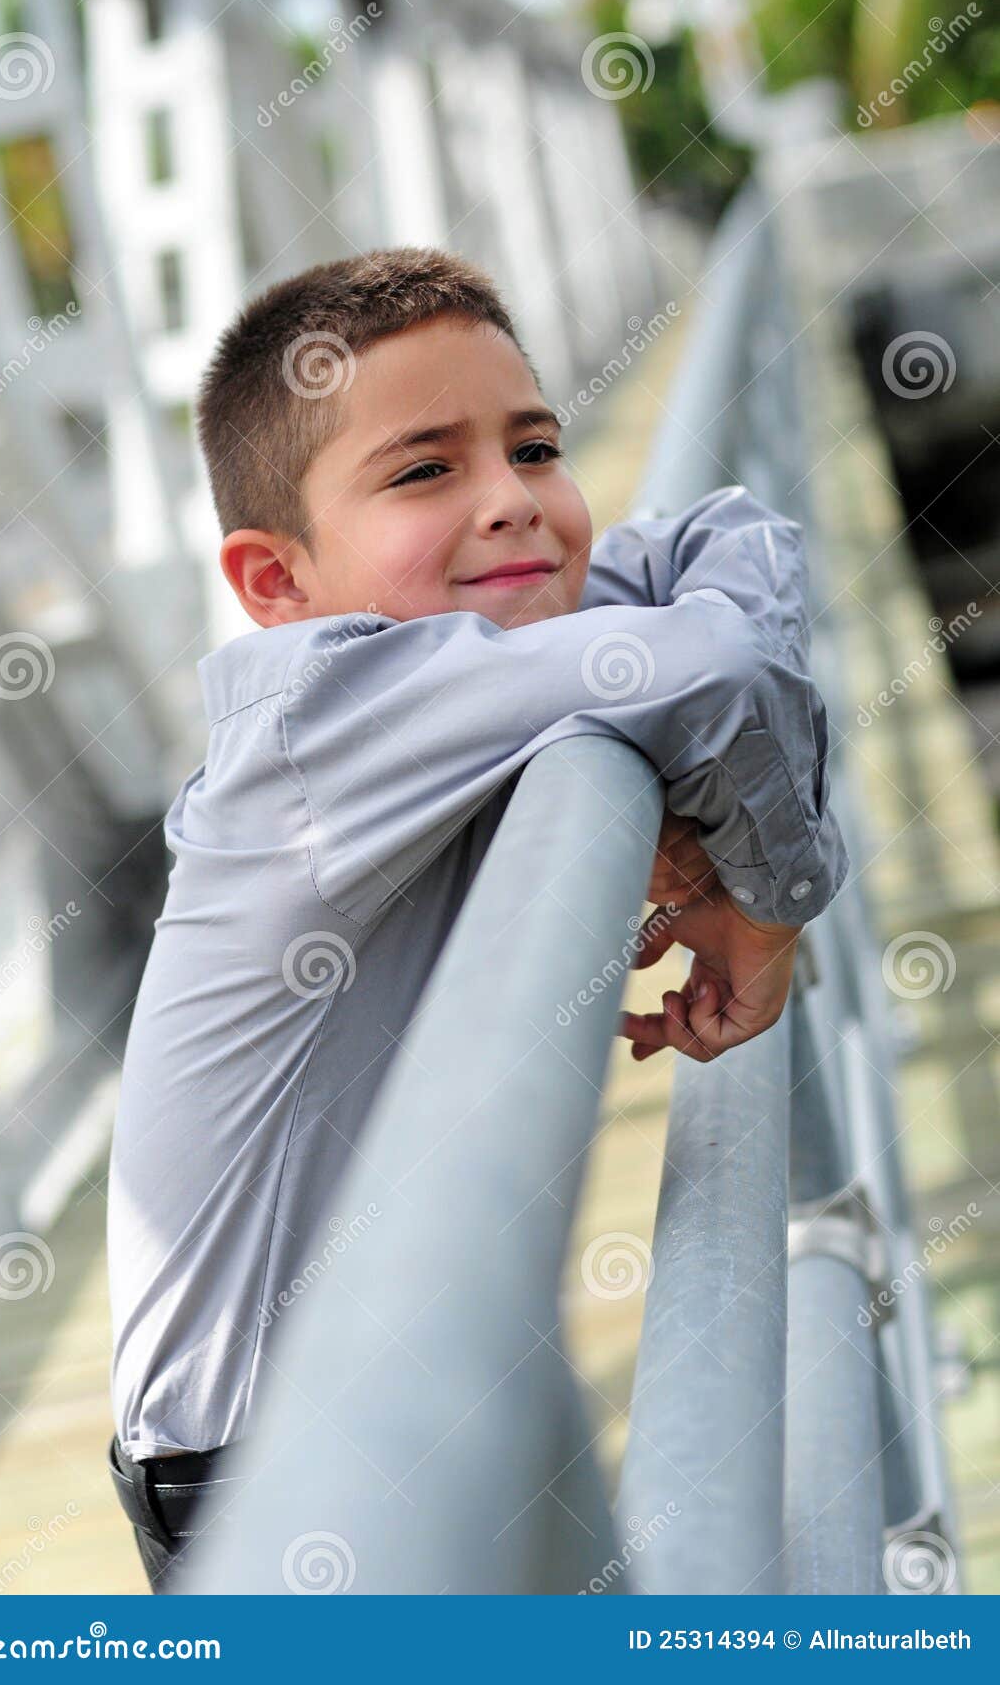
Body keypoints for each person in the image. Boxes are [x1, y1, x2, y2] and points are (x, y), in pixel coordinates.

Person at [105, 247, 848, 1591]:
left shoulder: (466, 631)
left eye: (538, 446)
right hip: (286, 1492)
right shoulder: (327, 713)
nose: (512, 504)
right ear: (276, 584)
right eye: (422, 470)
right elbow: (725, 649)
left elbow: (723, 532)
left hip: (415, 1380)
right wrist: (768, 902)